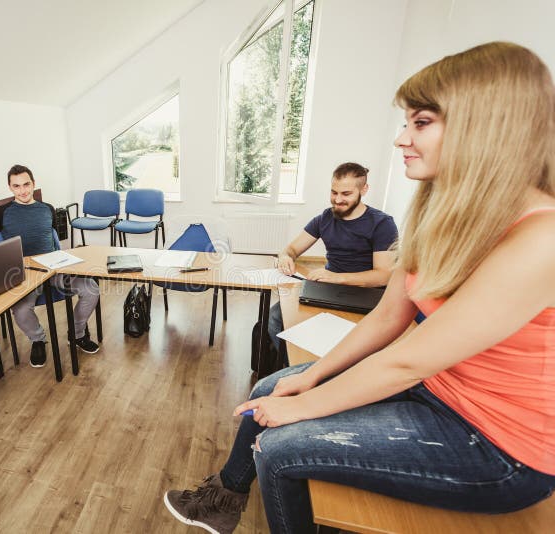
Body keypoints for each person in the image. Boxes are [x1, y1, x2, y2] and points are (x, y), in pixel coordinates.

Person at [164, 41, 555, 534]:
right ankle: (224, 501)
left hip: (498, 447)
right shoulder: (445, 212)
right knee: (270, 386)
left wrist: (302, 402)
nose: (401, 139)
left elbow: (408, 359)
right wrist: (308, 377)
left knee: (276, 445)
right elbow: (390, 317)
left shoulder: (542, 237)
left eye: (421, 122)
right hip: (437, 392)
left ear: (487, 126)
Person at [268, 162, 398, 356]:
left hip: (366, 293)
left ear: (364, 189)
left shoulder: (382, 224)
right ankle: (294, 369)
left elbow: (384, 276)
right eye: (333, 192)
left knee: (339, 340)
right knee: (275, 319)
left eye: (346, 194)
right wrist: (286, 256)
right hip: (329, 287)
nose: (337, 200)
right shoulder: (325, 218)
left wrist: (336, 277)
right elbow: (292, 248)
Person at [0, 165, 100, 368]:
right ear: (10, 188)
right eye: (17, 186)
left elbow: (54, 240)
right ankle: (38, 339)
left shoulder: (47, 209)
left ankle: (77, 333)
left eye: (26, 184)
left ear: (34, 184)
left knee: (91, 289)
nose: (23, 190)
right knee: (20, 310)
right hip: (23, 273)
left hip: (54, 269)